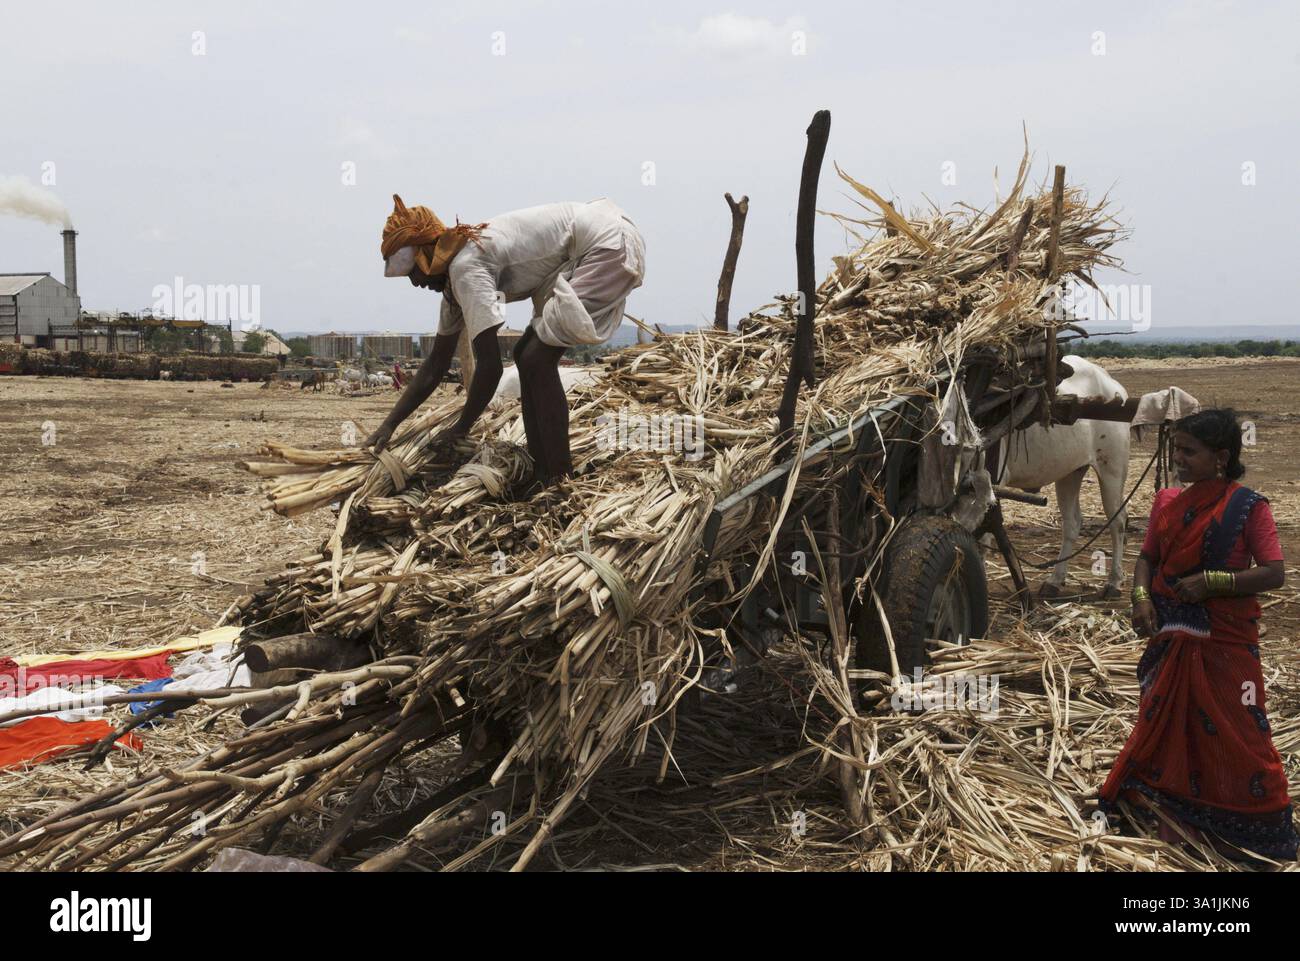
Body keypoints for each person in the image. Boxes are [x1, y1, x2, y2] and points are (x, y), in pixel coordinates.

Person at [1099, 408, 1296, 861]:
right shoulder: (1168, 501)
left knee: (1239, 728)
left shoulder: (1250, 507)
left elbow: (1274, 573)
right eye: (1176, 450)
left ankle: (1252, 821)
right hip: (1171, 634)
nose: (1178, 460)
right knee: (1167, 721)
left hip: (1225, 643)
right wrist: (1139, 598)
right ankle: (1168, 813)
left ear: (1221, 456)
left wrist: (1215, 582)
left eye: (1189, 452)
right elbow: (1147, 556)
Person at [365, 194, 645, 487]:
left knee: (536, 358)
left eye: (412, 273)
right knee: (527, 354)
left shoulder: (465, 268)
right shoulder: (456, 281)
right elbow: (437, 362)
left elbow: (490, 367)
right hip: (601, 239)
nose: (416, 283)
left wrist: (460, 429)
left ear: (425, 255)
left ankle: (561, 480)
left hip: (607, 244)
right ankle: (542, 475)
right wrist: (389, 425)